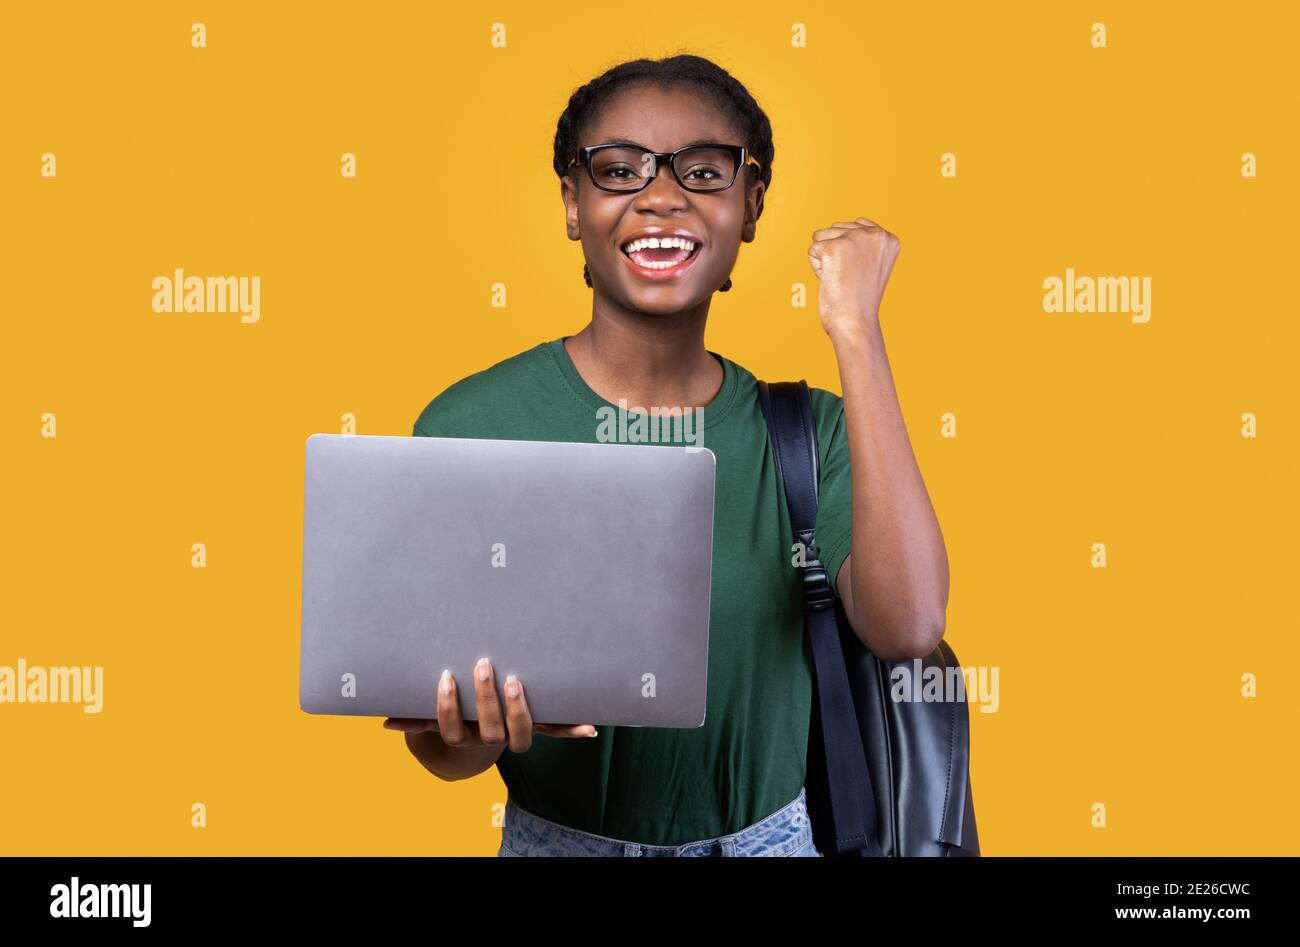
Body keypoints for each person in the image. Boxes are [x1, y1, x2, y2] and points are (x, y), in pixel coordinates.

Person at [382, 53, 949, 857]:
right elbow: (444, 753)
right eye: (617, 171)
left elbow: (910, 625)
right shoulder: (470, 422)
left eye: (704, 171)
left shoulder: (808, 433)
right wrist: (471, 731)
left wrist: (856, 330)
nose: (659, 196)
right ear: (572, 205)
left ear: (751, 205)